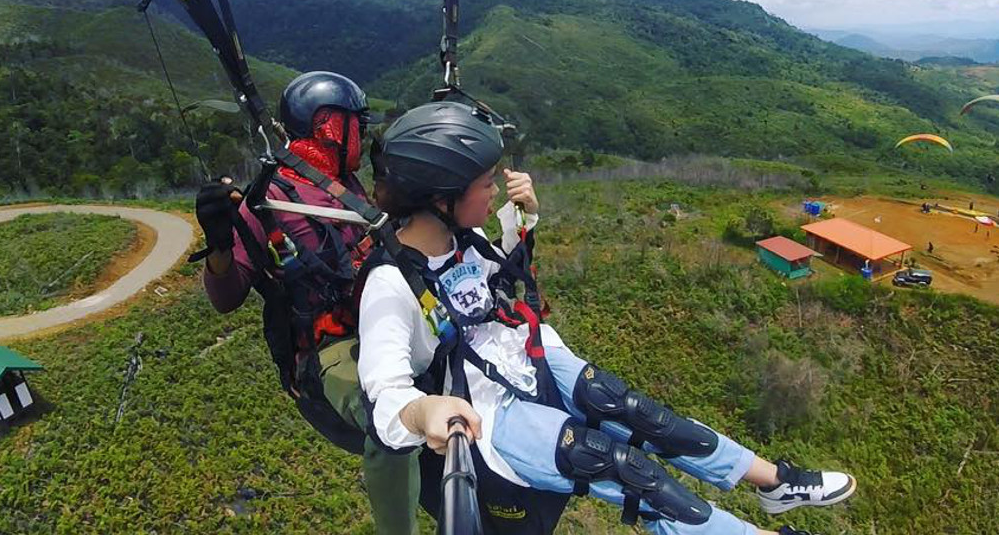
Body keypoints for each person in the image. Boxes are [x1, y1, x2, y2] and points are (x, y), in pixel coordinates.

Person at [358, 102, 856, 535]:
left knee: (642, 414)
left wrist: (523, 217)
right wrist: (423, 413)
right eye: (486, 184)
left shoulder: (462, 240)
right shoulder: (390, 283)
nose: (493, 192)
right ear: (440, 199)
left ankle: (774, 481)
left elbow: (503, 279)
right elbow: (385, 393)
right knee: (624, 470)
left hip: (531, 361)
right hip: (491, 416)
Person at [196, 71, 420, 535]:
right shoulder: (269, 199)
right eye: (354, 124)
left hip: (382, 316)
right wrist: (219, 240)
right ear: (329, 127)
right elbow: (226, 295)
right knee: (390, 419)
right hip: (330, 350)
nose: (361, 134)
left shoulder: (349, 184)